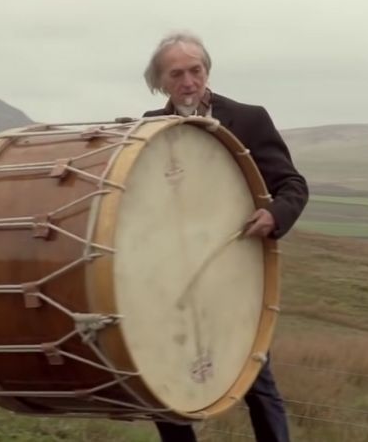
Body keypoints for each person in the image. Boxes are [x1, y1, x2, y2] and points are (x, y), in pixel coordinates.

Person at [141, 32, 309, 442]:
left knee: (255, 377)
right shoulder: (150, 126)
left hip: (234, 270)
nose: (188, 81)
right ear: (160, 82)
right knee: (164, 378)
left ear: (207, 71)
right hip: (173, 277)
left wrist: (273, 215)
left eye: (195, 70)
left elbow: (292, 185)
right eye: (176, 74)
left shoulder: (249, 119)